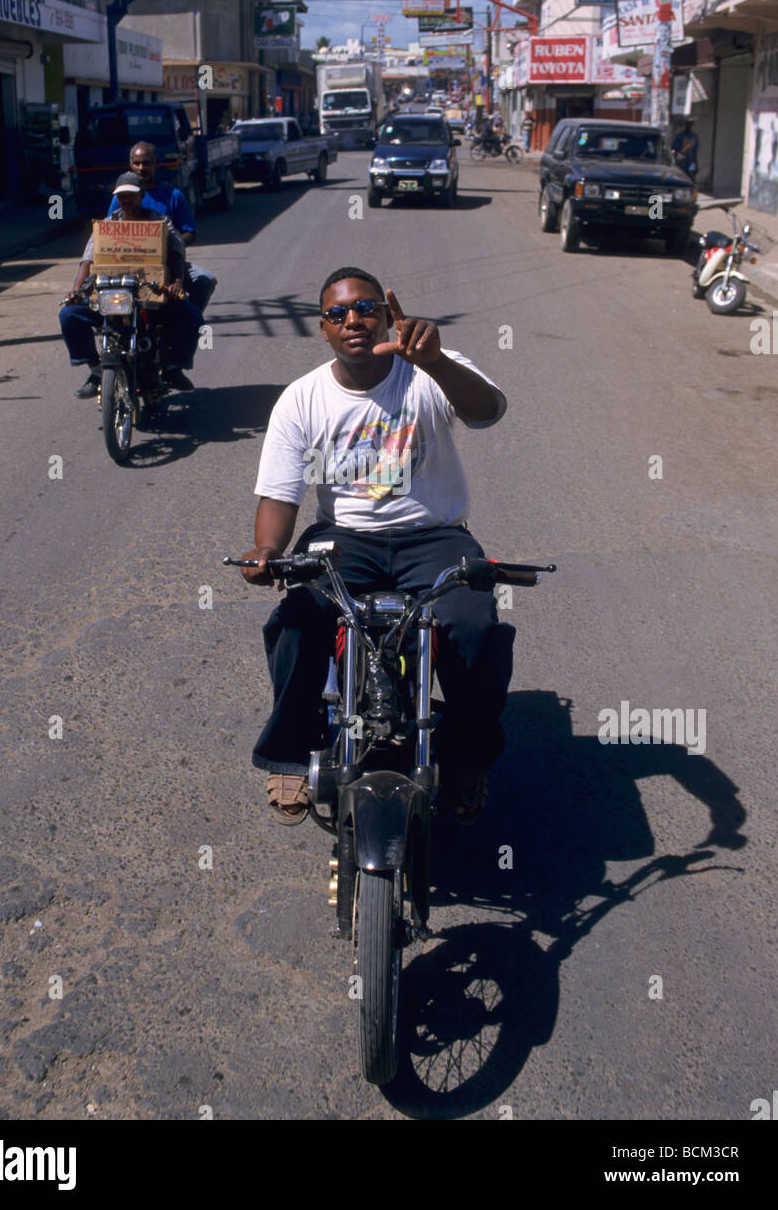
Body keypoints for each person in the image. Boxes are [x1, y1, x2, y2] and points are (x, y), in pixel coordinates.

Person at [240, 265, 515, 825]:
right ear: (323, 329)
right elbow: (280, 493)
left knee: (475, 626)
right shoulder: (301, 399)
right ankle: (291, 751)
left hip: (434, 538)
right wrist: (266, 550)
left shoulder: (427, 371)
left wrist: (434, 361)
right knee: (298, 616)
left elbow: (487, 412)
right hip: (344, 540)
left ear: (388, 315)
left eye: (366, 308)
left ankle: (465, 756)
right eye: (337, 313)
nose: (353, 320)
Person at [59, 172, 202, 396]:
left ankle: (174, 367)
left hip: (150, 296)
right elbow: (87, 260)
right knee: (68, 315)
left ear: (142, 196)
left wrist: (176, 283)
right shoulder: (107, 225)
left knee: (192, 317)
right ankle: (96, 370)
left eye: (131, 195)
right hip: (112, 295)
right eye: (122, 196)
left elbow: (177, 254)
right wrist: (76, 290)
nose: (127, 200)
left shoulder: (160, 222)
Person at [105, 142, 218, 314]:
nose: (141, 168)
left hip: (169, 262)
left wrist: (167, 245)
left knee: (206, 280)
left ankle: (187, 322)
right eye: (137, 163)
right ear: (131, 165)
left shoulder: (173, 195)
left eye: (147, 163)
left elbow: (190, 232)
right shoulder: (120, 198)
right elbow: (108, 231)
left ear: (155, 164)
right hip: (127, 264)